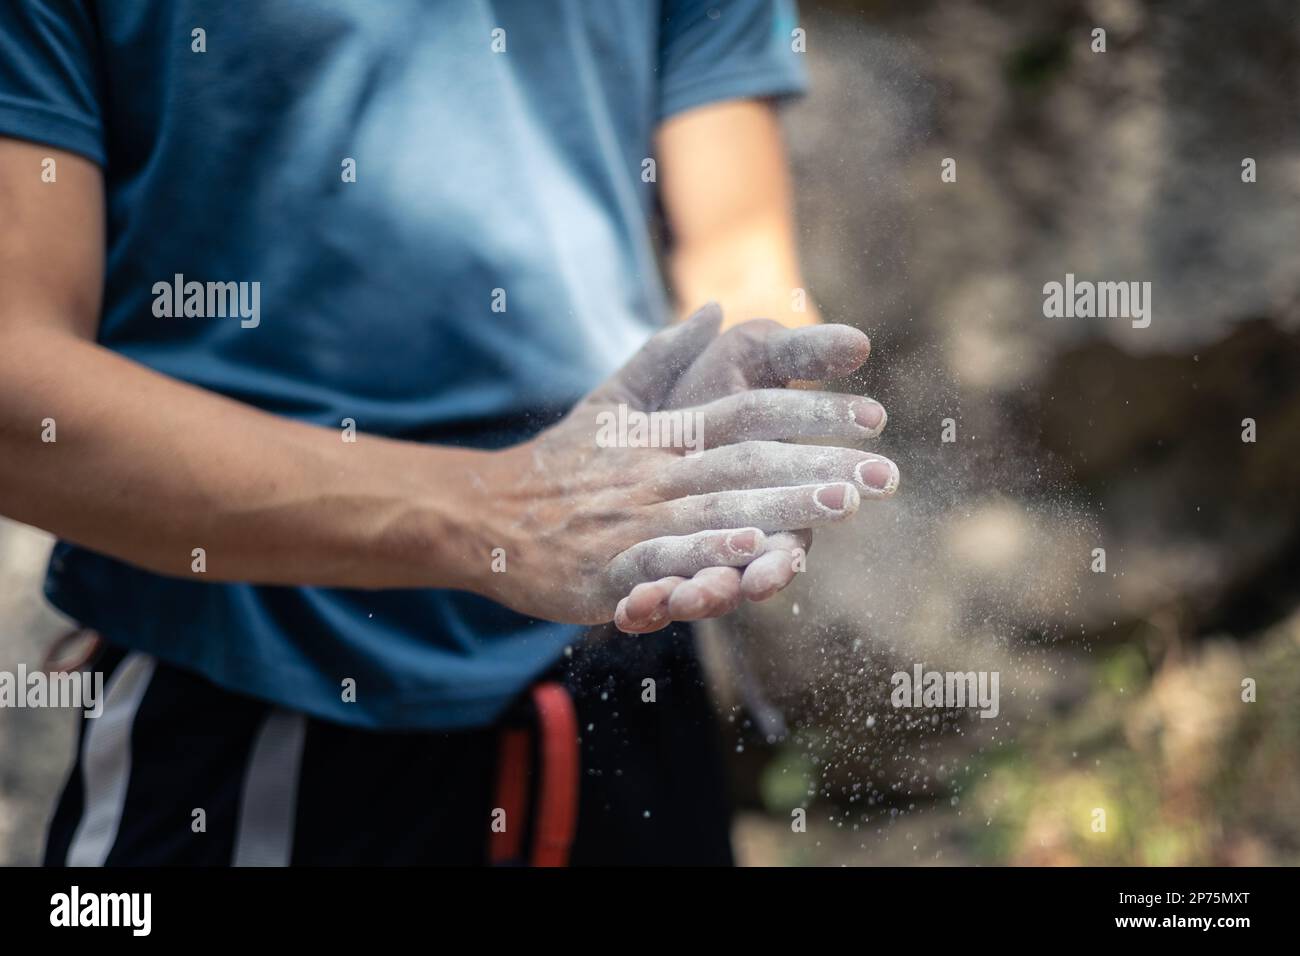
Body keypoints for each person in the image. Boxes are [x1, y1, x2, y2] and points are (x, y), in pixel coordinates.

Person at [0, 0, 897, 865]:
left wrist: (734, 405)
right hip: (267, 663)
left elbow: (738, 257)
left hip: (624, 648)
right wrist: (494, 514)